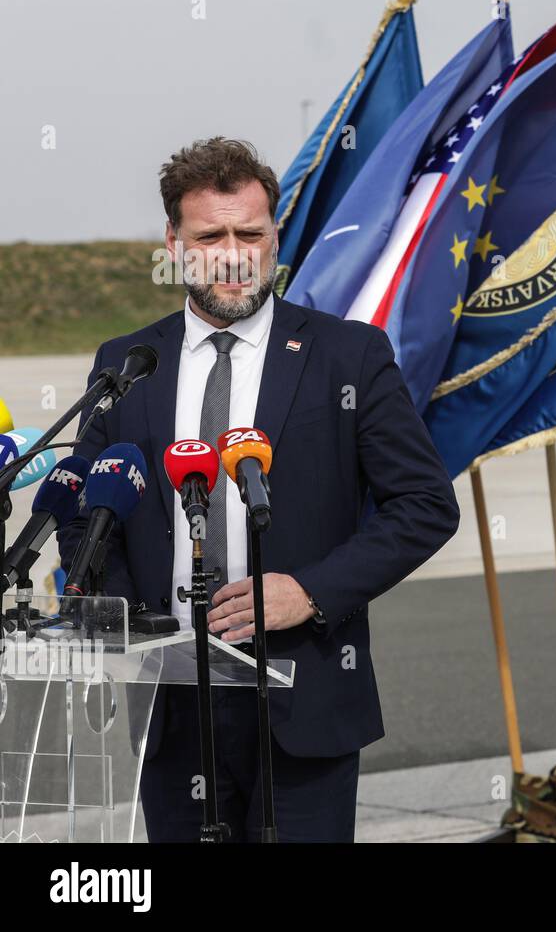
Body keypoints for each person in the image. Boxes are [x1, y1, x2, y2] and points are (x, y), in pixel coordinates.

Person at [58, 137, 460, 841]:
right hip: (172, 697)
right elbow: (88, 502)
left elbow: (425, 506)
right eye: (210, 235)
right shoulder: (128, 361)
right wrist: (125, 616)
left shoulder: (349, 355)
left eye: (251, 231)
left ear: (276, 237)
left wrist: (309, 591)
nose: (233, 251)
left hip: (302, 696)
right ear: (174, 243)